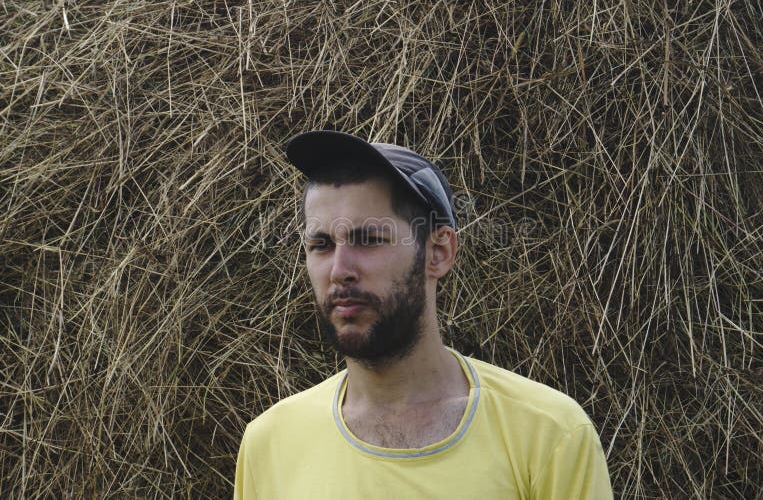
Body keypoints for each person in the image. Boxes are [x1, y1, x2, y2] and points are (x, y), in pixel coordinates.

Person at [234, 130, 613, 499]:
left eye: (369, 240)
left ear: (438, 252)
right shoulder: (270, 443)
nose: (339, 269)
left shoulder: (548, 434)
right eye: (321, 245)